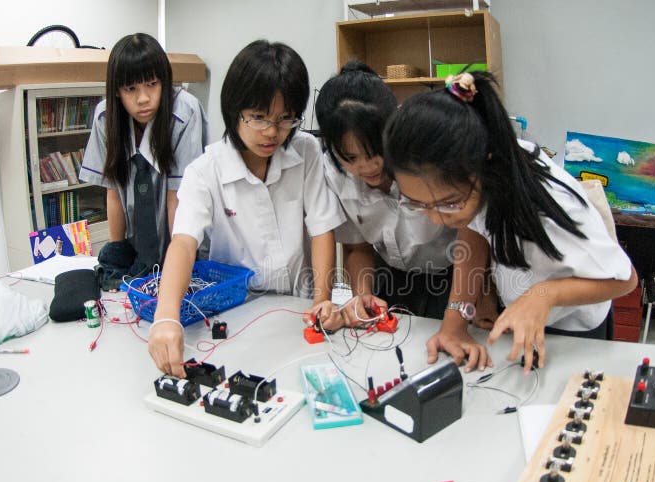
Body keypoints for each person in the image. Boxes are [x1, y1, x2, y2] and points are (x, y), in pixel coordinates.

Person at [383, 71, 638, 374]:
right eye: (419, 205)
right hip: (523, 306)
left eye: (448, 203)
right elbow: (472, 232)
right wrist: (454, 323)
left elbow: (625, 279)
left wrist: (544, 295)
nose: (438, 218)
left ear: (483, 164)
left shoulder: (547, 206)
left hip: (573, 326)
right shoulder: (479, 175)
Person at [147, 40, 345, 378]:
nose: (272, 133)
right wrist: (166, 317)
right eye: (258, 118)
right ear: (234, 110)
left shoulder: (306, 151)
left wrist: (322, 299)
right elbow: (183, 243)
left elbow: (322, 227)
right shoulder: (205, 170)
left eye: (285, 120)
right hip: (237, 314)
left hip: (299, 307)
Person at [315, 61, 461, 324]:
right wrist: (363, 295)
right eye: (350, 157)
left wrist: (470, 302)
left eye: (376, 152)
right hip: (389, 275)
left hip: (456, 274)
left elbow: (473, 233)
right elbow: (357, 247)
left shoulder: (425, 153)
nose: (367, 167)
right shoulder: (333, 171)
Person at [80, 33, 207, 290]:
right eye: (130, 89)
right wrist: (119, 256)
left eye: (151, 84)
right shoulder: (106, 117)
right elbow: (113, 193)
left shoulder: (184, 112)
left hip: (180, 233)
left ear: (165, 82)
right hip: (137, 244)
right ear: (117, 90)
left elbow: (178, 198)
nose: (143, 99)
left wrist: (178, 266)